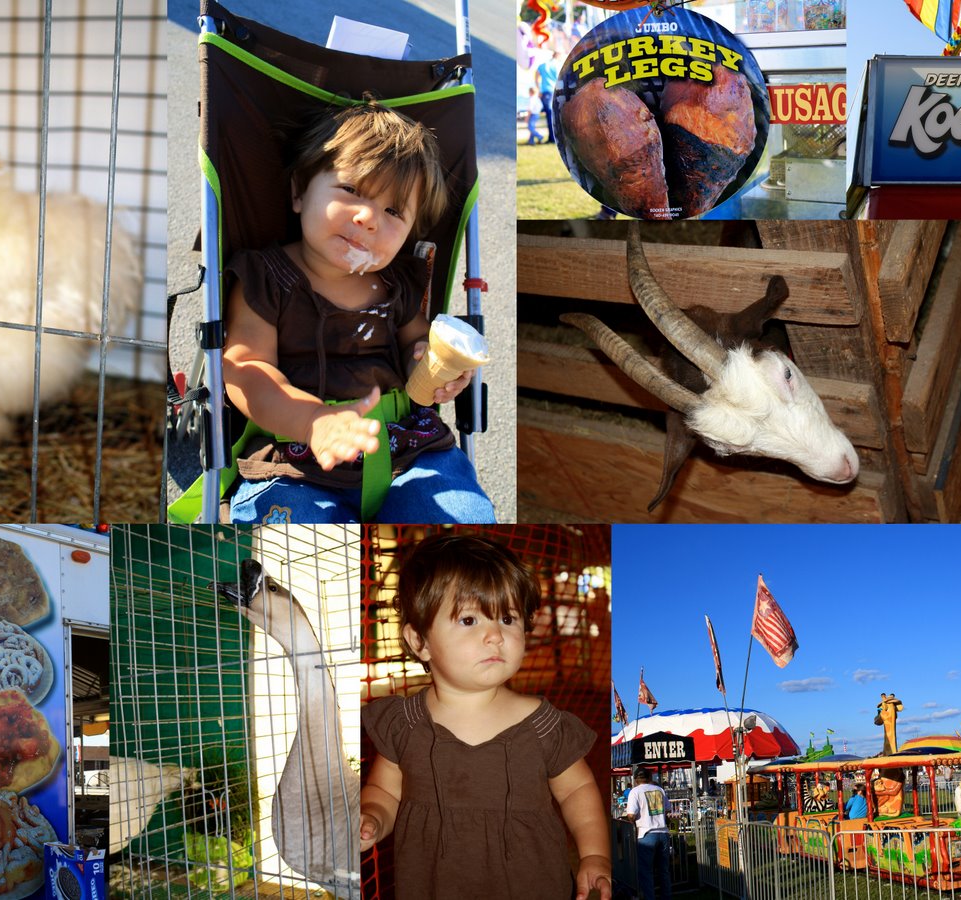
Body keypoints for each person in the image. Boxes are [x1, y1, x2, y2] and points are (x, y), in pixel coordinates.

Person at [218, 99, 495, 524]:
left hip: (408, 448)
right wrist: (313, 420)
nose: (368, 218)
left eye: (393, 211)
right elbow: (246, 369)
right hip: (297, 458)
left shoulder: (396, 283)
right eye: (351, 191)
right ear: (299, 192)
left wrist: (431, 363)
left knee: (465, 519)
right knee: (294, 538)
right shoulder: (266, 278)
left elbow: (415, 343)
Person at [360, 535, 610, 899]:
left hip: (532, 884)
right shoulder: (406, 724)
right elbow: (384, 790)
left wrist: (595, 854)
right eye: (468, 619)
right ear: (419, 642)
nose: (494, 634)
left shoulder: (543, 725)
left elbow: (577, 789)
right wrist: (372, 817)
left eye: (508, 618)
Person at [624, 768, 671, 900]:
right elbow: (667, 809)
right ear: (649, 777)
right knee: (664, 870)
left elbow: (631, 815)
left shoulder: (635, 792)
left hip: (646, 834)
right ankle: (666, 897)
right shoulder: (659, 790)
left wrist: (633, 820)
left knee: (646, 871)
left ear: (635, 779)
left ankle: (650, 897)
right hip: (663, 832)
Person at [535, 51, 560, 146]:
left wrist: (538, 89)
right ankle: (554, 138)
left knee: (549, 116)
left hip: (545, 92)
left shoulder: (543, 65)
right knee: (555, 116)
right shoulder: (557, 65)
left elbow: (536, 75)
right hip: (555, 91)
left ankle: (552, 137)